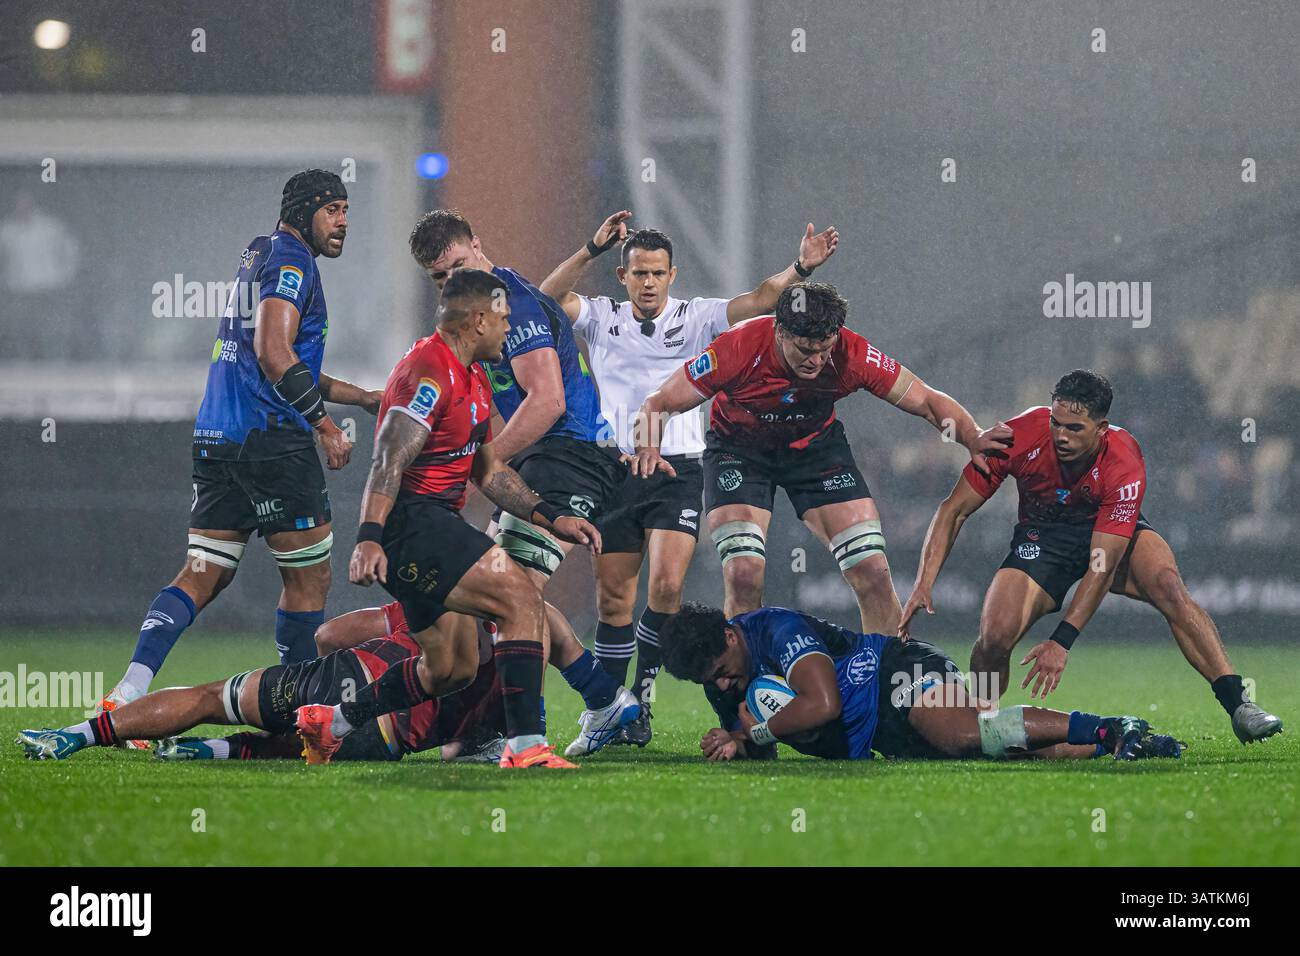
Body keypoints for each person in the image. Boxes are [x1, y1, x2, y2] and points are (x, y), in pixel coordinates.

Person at [98, 170, 381, 747]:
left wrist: (362, 397)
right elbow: (275, 355)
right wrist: (326, 427)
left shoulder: (259, 252)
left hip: (217, 435)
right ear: (303, 213)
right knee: (309, 582)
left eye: (346, 209)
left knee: (203, 571)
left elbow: (276, 359)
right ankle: (305, 712)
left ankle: (128, 690)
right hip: (271, 441)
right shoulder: (297, 264)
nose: (344, 221)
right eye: (333, 209)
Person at [539, 213, 839, 745]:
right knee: (613, 599)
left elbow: (761, 298)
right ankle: (610, 709)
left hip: (680, 466)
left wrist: (800, 267)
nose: (648, 282)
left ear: (672, 275)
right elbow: (546, 297)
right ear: (623, 277)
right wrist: (590, 247)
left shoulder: (696, 317)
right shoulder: (601, 316)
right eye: (638, 274)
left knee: (667, 586)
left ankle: (645, 698)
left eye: (657, 273)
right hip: (616, 469)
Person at [295, 268, 603, 769]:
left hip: (429, 526)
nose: (509, 329)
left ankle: (332, 723)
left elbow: (487, 469)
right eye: (503, 320)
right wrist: (370, 537)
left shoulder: (474, 375)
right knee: (522, 599)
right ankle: (527, 748)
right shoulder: (430, 371)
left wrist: (550, 516)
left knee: (451, 669)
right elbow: (389, 455)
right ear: (479, 320)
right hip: (414, 526)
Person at [899, 369, 1283, 744]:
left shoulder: (1123, 461)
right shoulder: (1021, 434)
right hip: (1044, 538)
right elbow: (954, 509)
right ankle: (982, 728)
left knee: (1168, 587)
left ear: (1102, 429)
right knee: (994, 637)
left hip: (1104, 533)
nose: (1061, 436)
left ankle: (1239, 706)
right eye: (1056, 423)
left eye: (1075, 428)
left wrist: (1060, 642)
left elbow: (1102, 566)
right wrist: (924, 581)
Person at [631, 281, 1012, 635]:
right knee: (744, 573)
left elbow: (926, 401)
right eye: (805, 349)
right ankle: (745, 696)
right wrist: (648, 448)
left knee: (874, 572)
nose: (816, 360)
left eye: (824, 348)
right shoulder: (738, 348)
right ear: (779, 330)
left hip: (815, 451)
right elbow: (659, 402)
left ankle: (890, 689)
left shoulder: (853, 353)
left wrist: (973, 437)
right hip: (739, 453)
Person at [407, 211, 642, 754]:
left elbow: (548, 401)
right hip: (547, 460)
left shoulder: (514, 306)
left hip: (569, 455)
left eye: (459, 266)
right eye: (440, 279)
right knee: (504, 595)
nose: (452, 283)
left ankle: (516, 731)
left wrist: (478, 462)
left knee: (511, 598)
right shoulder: (491, 305)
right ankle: (600, 699)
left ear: (478, 246)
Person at [659, 602, 1183, 762]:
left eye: (722, 673)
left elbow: (821, 704)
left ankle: (1109, 724)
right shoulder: (722, 676)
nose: (722, 687)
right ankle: (1125, 741)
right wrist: (732, 745)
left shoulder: (777, 630)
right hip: (878, 731)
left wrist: (748, 734)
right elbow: (761, 750)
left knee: (959, 733)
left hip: (898, 671)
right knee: (1003, 752)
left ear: (731, 637)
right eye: (711, 683)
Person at [17, 602, 506, 764]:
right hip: (385, 744)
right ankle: (216, 749)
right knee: (305, 744)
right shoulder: (514, 667)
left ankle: (75, 736)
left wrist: (324, 683)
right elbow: (456, 750)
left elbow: (329, 634)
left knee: (211, 697)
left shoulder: (441, 602)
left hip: (353, 682)